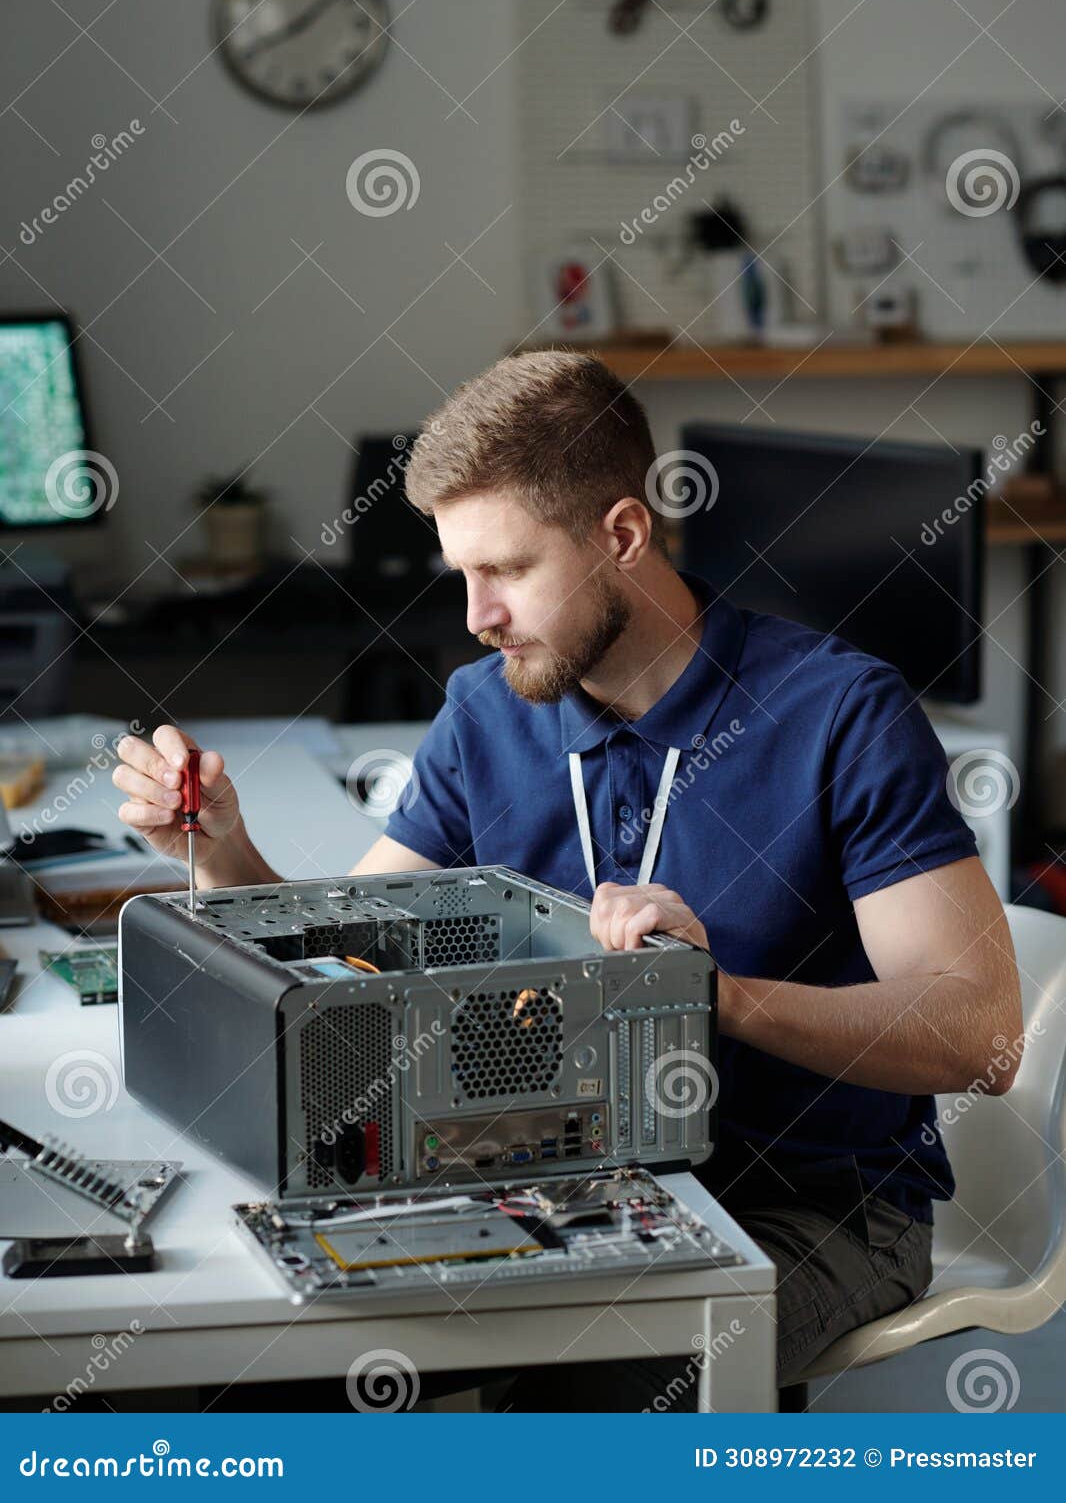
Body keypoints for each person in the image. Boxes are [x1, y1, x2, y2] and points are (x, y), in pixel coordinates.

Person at [114, 348, 1022, 1411]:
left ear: (623, 535)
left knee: (582, 1389)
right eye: (462, 574)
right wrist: (221, 851)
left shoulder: (841, 715)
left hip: (810, 1202)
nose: (475, 615)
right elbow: (345, 966)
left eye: (504, 570)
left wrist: (710, 995)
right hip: (549, 1174)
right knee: (259, 1365)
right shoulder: (486, 713)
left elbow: (980, 1033)